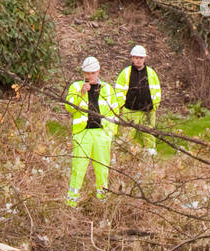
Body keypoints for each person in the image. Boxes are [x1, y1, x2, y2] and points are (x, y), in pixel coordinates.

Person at [63, 56, 118, 206]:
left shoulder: (107, 88)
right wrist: (81, 93)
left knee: (102, 168)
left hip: (102, 134)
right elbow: (69, 108)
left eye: (92, 73)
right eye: (87, 73)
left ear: (98, 71)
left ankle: (102, 200)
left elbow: (114, 111)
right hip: (82, 133)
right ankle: (72, 202)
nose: (90, 76)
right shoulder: (76, 87)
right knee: (78, 167)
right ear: (83, 73)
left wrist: (110, 133)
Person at [114, 45, 161, 157]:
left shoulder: (151, 73)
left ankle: (151, 156)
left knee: (149, 135)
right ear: (132, 58)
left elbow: (157, 90)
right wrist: (122, 105)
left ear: (144, 59)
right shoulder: (125, 73)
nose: (138, 60)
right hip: (130, 111)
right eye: (136, 58)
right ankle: (126, 157)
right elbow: (119, 90)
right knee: (127, 135)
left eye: (141, 58)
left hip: (148, 111)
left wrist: (155, 106)